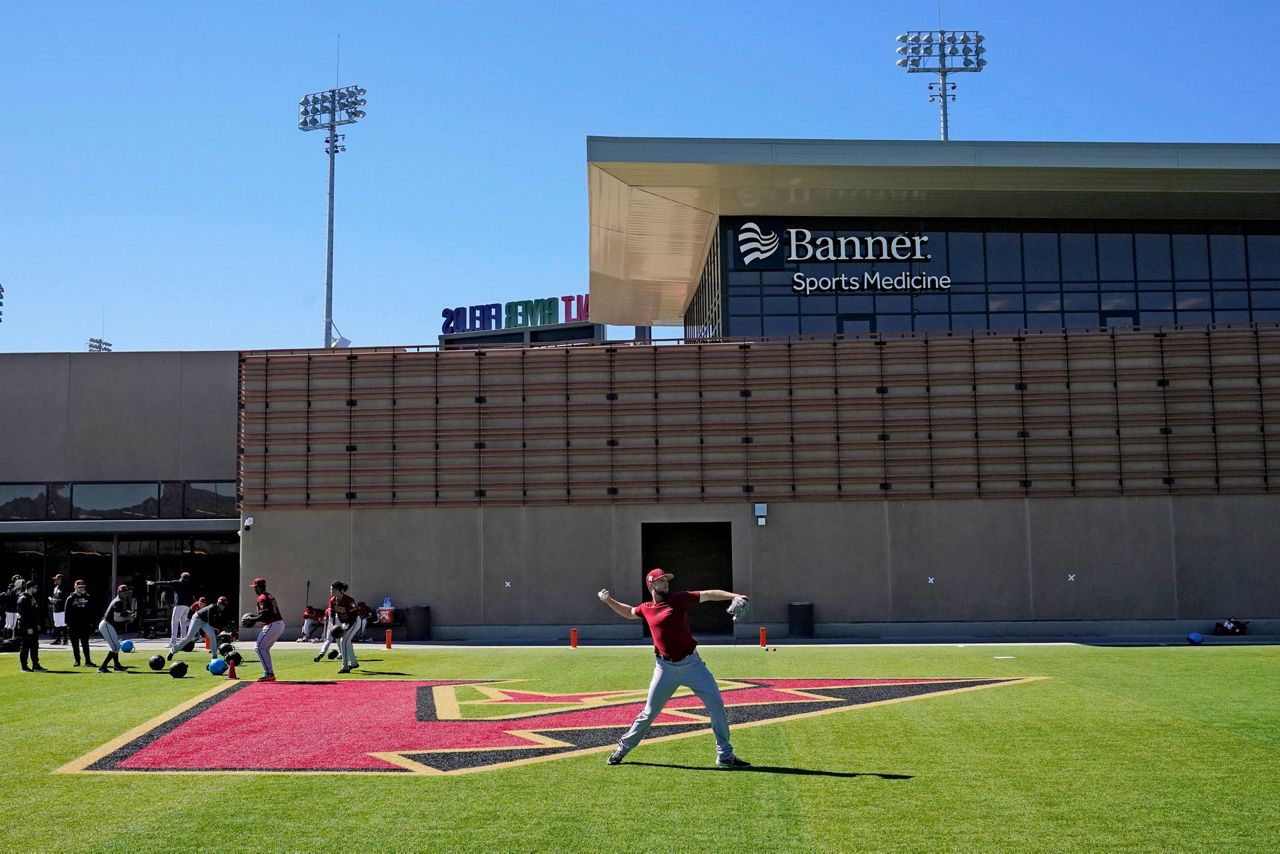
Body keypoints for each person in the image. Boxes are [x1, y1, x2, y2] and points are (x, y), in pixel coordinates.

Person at [597, 568, 751, 769]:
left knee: (716, 706)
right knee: (649, 713)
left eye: (666, 580)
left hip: (692, 665)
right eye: (661, 581)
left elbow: (709, 594)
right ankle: (622, 749)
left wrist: (735, 596)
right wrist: (608, 600)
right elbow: (628, 612)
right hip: (664, 668)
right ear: (651, 584)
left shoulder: (678, 599)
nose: (666, 583)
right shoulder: (646, 608)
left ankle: (725, 755)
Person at [243, 577, 284, 682]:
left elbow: (264, 613)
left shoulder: (261, 598)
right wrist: (256, 618)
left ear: (258, 587)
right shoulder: (269, 595)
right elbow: (266, 613)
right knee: (264, 649)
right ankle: (269, 673)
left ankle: (269, 673)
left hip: (272, 625)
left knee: (259, 648)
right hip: (278, 624)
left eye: (255, 587)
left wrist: (252, 619)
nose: (254, 589)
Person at [168, 596, 232, 661]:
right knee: (189, 638)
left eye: (224, 605)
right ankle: (172, 651)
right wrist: (220, 628)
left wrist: (223, 627)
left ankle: (214, 656)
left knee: (212, 636)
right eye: (223, 605)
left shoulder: (219, 610)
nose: (223, 607)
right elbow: (211, 623)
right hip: (197, 619)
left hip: (205, 621)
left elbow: (215, 621)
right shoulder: (212, 608)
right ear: (219, 603)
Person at [147, 572, 194, 650]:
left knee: (174, 623)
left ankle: (173, 643)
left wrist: (154, 583)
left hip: (179, 605)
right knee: (183, 624)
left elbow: (165, 583)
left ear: (181, 577)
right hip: (187, 606)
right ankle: (183, 643)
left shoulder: (177, 582)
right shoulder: (188, 585)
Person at [97, 584, 135, 673]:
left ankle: (117, 665)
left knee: (116, 646)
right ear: (119, 592)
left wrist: (127, 613)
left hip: (108, 625)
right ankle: (102, 667)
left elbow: (118, 614)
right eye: (123, 592)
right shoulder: (118, 602)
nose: (126, 593)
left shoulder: (120, 600)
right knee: (115, 647)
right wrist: (128, 618)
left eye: (126, 592)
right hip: (106, 625)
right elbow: (116, 618)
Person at [325, 581, 359, 674]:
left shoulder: (349, 600)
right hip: (345, 623)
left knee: (343, 641)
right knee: (347, 642)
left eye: (332, 589)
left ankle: (345, 667)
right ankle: (354, 663)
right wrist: (331, 623)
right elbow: (331, 613)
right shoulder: (332, 600)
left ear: (338, 590)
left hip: (354, 622)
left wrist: (346, 629)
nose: (330, 591)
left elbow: (354, 616)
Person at [63, 579, 96, 667]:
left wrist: (91, 623)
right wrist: (68, 624)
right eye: (79, 587)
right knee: (75, 645)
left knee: (85, 644)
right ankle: (77, 661)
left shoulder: (87, 597)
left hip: (85, 625)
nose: (81, 588)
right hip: (74, 626)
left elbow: (91, 611)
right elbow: (67, 612)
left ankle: (88, 661)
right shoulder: (70, 598)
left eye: (82, 587)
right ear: (75, 587)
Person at [16, 581, 47, 672]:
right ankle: (24, 666)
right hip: (26, 627)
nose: (36, 589)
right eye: (35, 587)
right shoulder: (23, 599)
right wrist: (28, 627)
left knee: (34, 646)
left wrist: (37, 624)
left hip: (33, 626)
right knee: (25, 646)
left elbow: (34, 613)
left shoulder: (31, 598)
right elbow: (23, 616)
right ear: (30, 587)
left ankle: (35, 665)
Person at [48, 574, 68, 645]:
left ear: (60, 579)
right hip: (56, 608)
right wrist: (52, 600)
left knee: (63, 624)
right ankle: (58, 639)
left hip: (62, 609)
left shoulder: (65, 588)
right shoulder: (55, 588)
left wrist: (56, 600)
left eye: (56, 579)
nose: (55, 580)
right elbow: (55, 597)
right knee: (57, 624)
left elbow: (65, 599)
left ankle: (65, 639)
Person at [3, 575, 23, 640]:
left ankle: (5, 638)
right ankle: (9, 639)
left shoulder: (10, 587)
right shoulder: (15, 588)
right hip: (12, 609)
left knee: (8, 624)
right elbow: (18, 596)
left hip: (8, 609)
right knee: (12, 625)